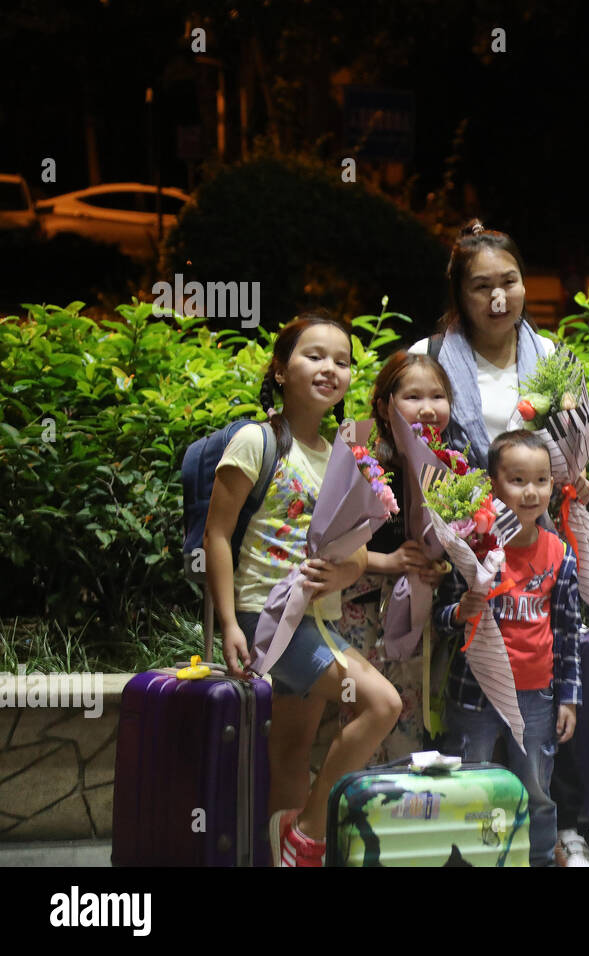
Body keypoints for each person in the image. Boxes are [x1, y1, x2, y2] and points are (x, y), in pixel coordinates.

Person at [412, 219, 589, 865]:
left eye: (509, 282)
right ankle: (459, 843)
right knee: (468, 673)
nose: (498, 298)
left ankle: (560, 828)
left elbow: (578, 455)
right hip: (468, 544)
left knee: (555, 664)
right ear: (460, 294)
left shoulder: (554, 360)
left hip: (544, 541)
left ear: (525, 284)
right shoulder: (432, 355)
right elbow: (411, 442)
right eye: (481, 286)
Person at [205, 310, 402, 867]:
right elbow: (217, 534)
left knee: (291, 748)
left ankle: (284, 856)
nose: (329, 369)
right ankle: (309, 834)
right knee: (381, 703)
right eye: (314, 355)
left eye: (341, 361)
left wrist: (346, 571)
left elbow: (356, 546)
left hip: (320, 619)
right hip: (265, 618)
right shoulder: (255, 440)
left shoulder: (347, 454)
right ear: (281, 367)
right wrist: (227, 623)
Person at [434, 429, 583, 867]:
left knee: (536, 789)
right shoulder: (473, 549)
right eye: (517, 480)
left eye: (541, 480)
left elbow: (569, 633)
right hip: (474, 692)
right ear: (493, 485)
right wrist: (461, 610)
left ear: (552, 486)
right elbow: (441, 617)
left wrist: (569, 697)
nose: (530, 491)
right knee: (466, 784)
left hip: (534, 695)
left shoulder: (560, 554)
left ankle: (538, 857)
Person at [335, 350, 457, 761]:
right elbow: (324, 548)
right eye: (412, 397)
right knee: (363, 723)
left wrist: (440, 565)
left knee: (409, 729)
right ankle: (350, 815)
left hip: (416, 620)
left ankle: (398, 815)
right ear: (386, 407)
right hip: (361, 616)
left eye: (438, 397)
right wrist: (386, 562)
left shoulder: (452, 468)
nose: (427, 409)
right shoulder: (361, 462)